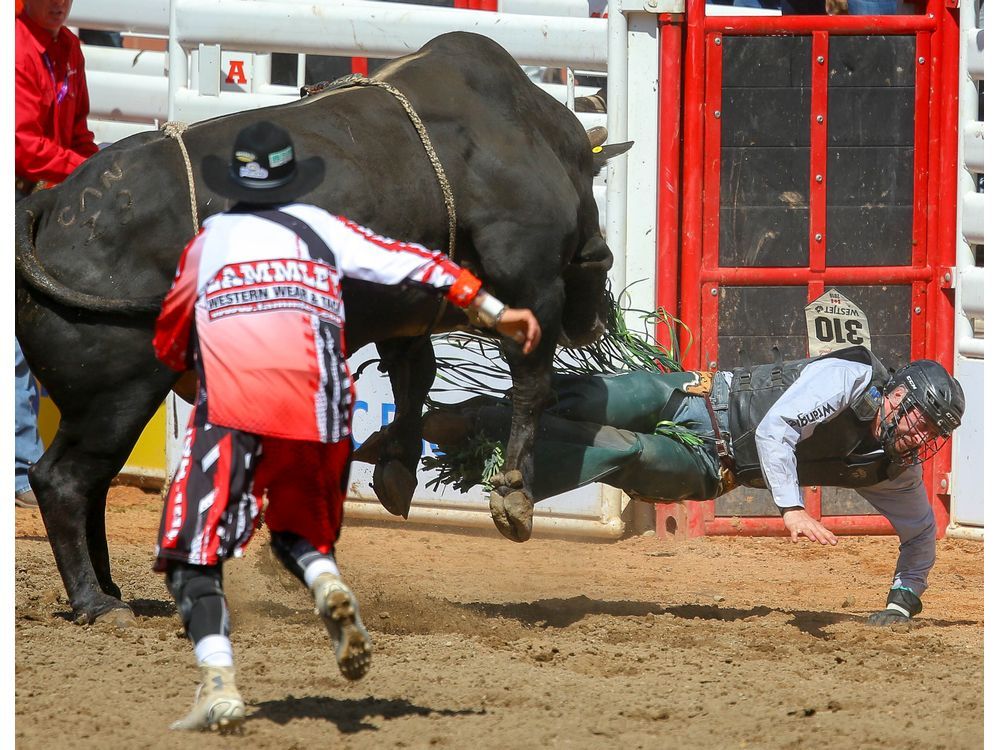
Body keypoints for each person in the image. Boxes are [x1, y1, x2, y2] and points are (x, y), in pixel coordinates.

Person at [152, 120, 541, 733]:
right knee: (297, 533)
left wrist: (189, 365)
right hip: (321, 407)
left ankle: (219, 681)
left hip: (238, 404)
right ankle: (325, 578)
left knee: (192, 551)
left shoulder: (210, 239)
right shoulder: (325, 230)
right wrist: (493, 308)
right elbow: (419, 263)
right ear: (293, 181)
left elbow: (171, 337)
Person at [423, 346, 963, 627]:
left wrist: (902, 601)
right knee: (577, 397)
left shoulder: (894, 468)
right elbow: (778, 428)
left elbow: (920, 535)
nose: (921, 435)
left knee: (624, 450)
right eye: (920, 418)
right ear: (897, 395)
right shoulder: (852, 377)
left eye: (933, 433)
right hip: (694, 397)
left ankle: (512, 478)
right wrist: (793, 508)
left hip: (710, 464)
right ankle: (445, 424)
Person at [15, 0, 99, 509]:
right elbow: (22, 145)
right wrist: (85, 171)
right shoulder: (20, 47)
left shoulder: (67, 47)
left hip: (39, 193)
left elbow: (77, 134)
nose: (59, 2)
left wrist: (96, 166)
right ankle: (20, 468)